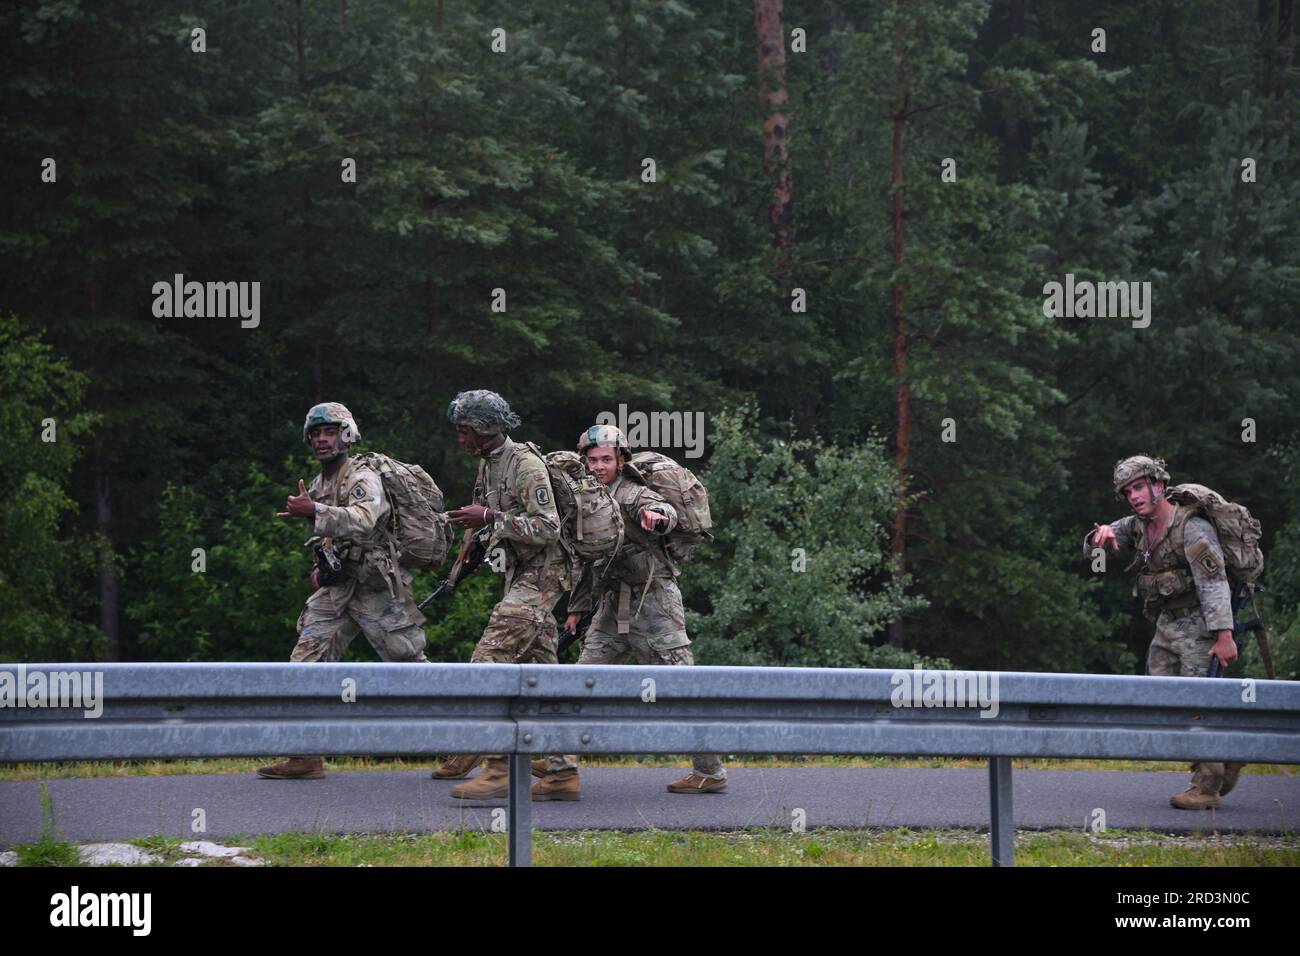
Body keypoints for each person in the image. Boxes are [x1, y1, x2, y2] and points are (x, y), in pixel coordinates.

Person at [257, 402, 429, 780]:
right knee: (305, 665)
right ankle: (304, 756)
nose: (321, 439)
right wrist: (321, 568)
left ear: (346, 434)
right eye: (316, 433)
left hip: (373, 588)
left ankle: (467, 744)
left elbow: (365, 520)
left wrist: (313, 511)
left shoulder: (362, 475)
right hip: (337, 590)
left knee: (410, 667)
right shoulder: (320, 483)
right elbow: (333, 537)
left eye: (329, 432)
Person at [557, 424, 727, 794]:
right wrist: (577, 607)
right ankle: (561, 770)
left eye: (606, 459)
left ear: (620, 460)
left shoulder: (632, 493)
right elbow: (587, 559)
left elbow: (659, 508)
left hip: (654, 604)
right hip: (610, 609)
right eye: (592, 460)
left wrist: (659, 519)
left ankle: (710, 772)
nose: (599, 465)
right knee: (579, 682)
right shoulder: (589, 499)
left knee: (681, 687)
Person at [437, 390, 578, 800]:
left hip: (541, 579)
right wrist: (462, 563)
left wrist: (492, 518)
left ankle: (498, 769)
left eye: (465, 431)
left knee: (488, 661)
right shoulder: (489, 465)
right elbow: (486, 523)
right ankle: (563, 775)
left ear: (484, 430)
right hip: (521, 576)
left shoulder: (526, 465)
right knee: (544, 678)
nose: (460, 439)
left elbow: (548, 528)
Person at [1085, 454, 1243, 809]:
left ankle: (1207, 786)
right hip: (1166, 625)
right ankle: (1231, 753)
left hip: (1200, 625)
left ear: (1158, 485)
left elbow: (1214, 582)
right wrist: (1099, 536)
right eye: (1127, 492)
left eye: (1139, 487)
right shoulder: (1138, 525)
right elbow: (1096, 542)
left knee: (1196, 704)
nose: (1134, 496)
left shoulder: (1191, 527)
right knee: (1162, 701)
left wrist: (1224, 635)